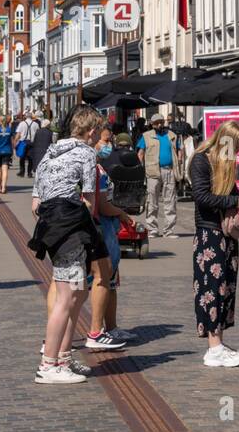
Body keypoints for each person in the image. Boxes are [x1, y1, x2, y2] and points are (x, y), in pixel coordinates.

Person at [28, 104, 118, 383]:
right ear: (91, 131)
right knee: (67, 297)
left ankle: (64, 357)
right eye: (97, 133)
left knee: (77, 293)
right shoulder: (86, 154)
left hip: (51, 227)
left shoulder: (49, 154)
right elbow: (91, 200)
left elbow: (35, 204)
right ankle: (48, 364)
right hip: (71, 227)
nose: (97, 139)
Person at [189, 119, 239, 367]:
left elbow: (230, 193)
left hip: (224, 235)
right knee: (212, 288)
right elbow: (201, 197)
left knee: (225, 288)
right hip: (209, 233)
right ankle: (214, 347)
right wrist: (234, 202)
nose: (237, 150)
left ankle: (218, 343)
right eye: (236, 144)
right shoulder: (201, 159)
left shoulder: (224, 163)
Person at [82, 132, 139, 349]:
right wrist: (122, 214)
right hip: (102, 227)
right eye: (105, 140)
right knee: (98, 281)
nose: (109, 145)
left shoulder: (100, 166)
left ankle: (111, 327)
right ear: (92, 138)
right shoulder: (93, 168)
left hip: (106, 226)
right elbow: (103, 204)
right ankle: (94, 332)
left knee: (111, 281)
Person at [137, 114, 178, 238]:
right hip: (153, 171)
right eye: (156, 123)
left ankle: (169, 230)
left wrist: (180, 164)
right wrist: (139, 171)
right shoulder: (146, 136)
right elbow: (140, 153)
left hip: (169, 170)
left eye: (161, 122)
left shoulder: (172, 135)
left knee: (170, 201)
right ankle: (152, 229)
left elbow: (179, 151)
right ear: (152, 124)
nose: (159, 124)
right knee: (152, 201)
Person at [0, 114, 14, 194]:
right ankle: (4, 188)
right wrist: (13, 151)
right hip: (7, 151)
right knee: (5, 170)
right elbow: (12, 142)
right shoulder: (9, 130)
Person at [15, 112, 36, 177]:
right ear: (31, 117)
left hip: (23, 142)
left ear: (25, 117)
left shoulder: (22, 123)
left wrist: (15, 141)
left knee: (22, 157)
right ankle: (29, 173)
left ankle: (22, 172)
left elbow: (18, 134)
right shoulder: (35, 124)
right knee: (30, 158)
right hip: (32, 142)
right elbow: (37, 134)